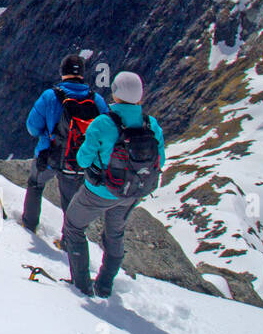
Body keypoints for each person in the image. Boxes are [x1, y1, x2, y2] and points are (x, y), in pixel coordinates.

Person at [62, 71, 165, 298]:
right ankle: (104, 284)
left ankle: (81, 285)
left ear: (115, 93)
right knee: (115, 235)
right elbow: (161, 161)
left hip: (99, 192)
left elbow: (83, 160)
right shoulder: (151, 125)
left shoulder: (102, 123)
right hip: (131, 192)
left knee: (73, 226)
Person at [22, 54, 108, 232]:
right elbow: (106, 131)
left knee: (35, 184)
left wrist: (46, 135)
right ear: (82, 74)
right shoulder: (96, 100)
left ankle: (29, 225)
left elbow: (32, 127)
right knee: (71, 204)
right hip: (79, 160)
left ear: (62, 72)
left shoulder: (50, 96)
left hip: (49, 156)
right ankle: (68, 242)